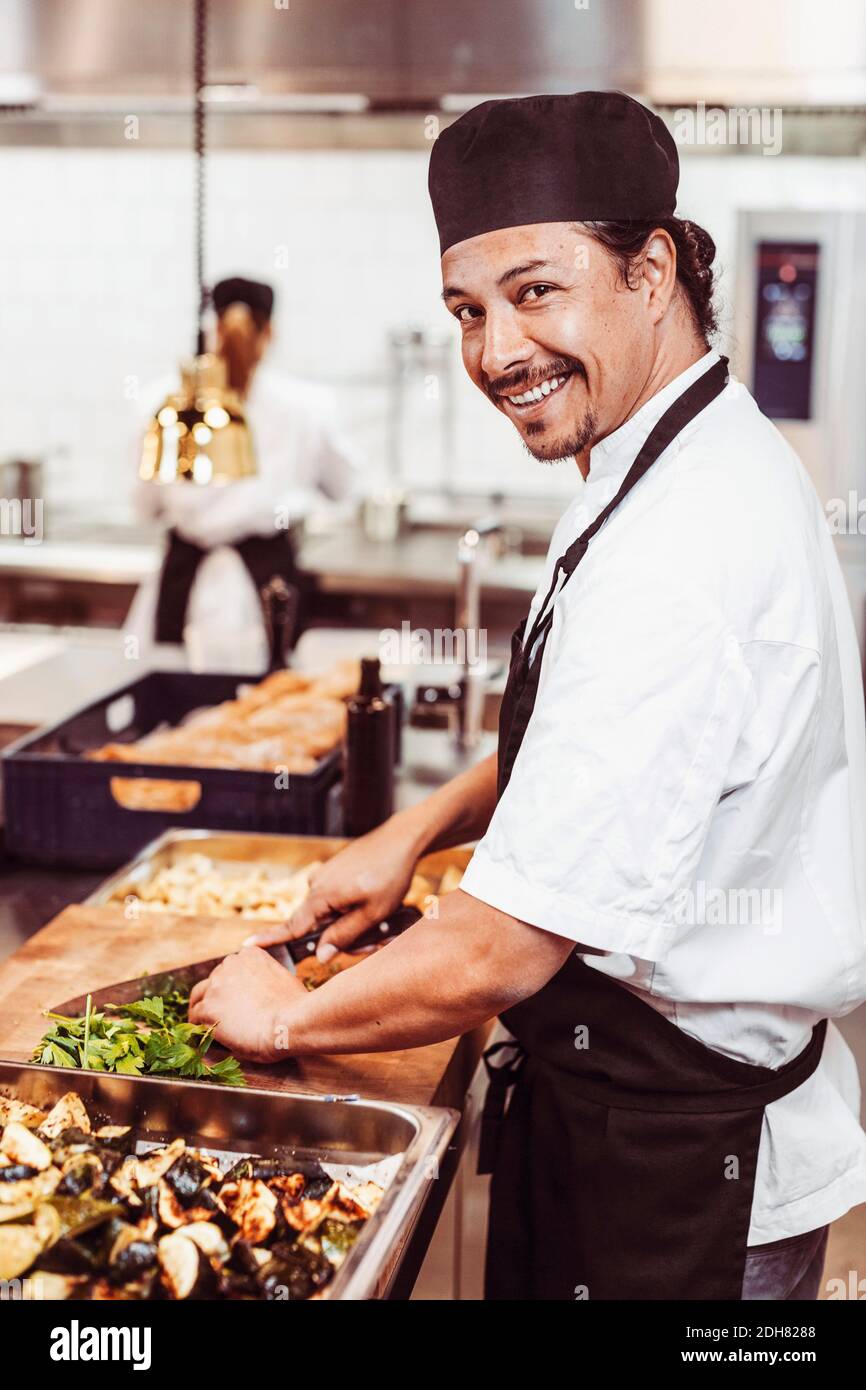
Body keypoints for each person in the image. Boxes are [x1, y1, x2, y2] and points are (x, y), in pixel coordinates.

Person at [189, 93, 866, 1301]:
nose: (495, 351)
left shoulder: (688, 538)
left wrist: (288, 1015)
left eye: (535, 291)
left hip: (686, 1181)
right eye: (466, 309)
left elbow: (497, 949)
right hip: (634, 1123)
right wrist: (412, 832)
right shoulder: (654, 455)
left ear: (648, 270)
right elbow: (598, 740)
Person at [127, 276, 362, 654]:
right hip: (265, 595)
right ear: (270, 331)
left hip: (180, 591)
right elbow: (347, 489)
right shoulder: (310, 406)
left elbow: (144, 505)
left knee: (170, 702)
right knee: (258, 705)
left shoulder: (161, 401)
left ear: (211, 328)